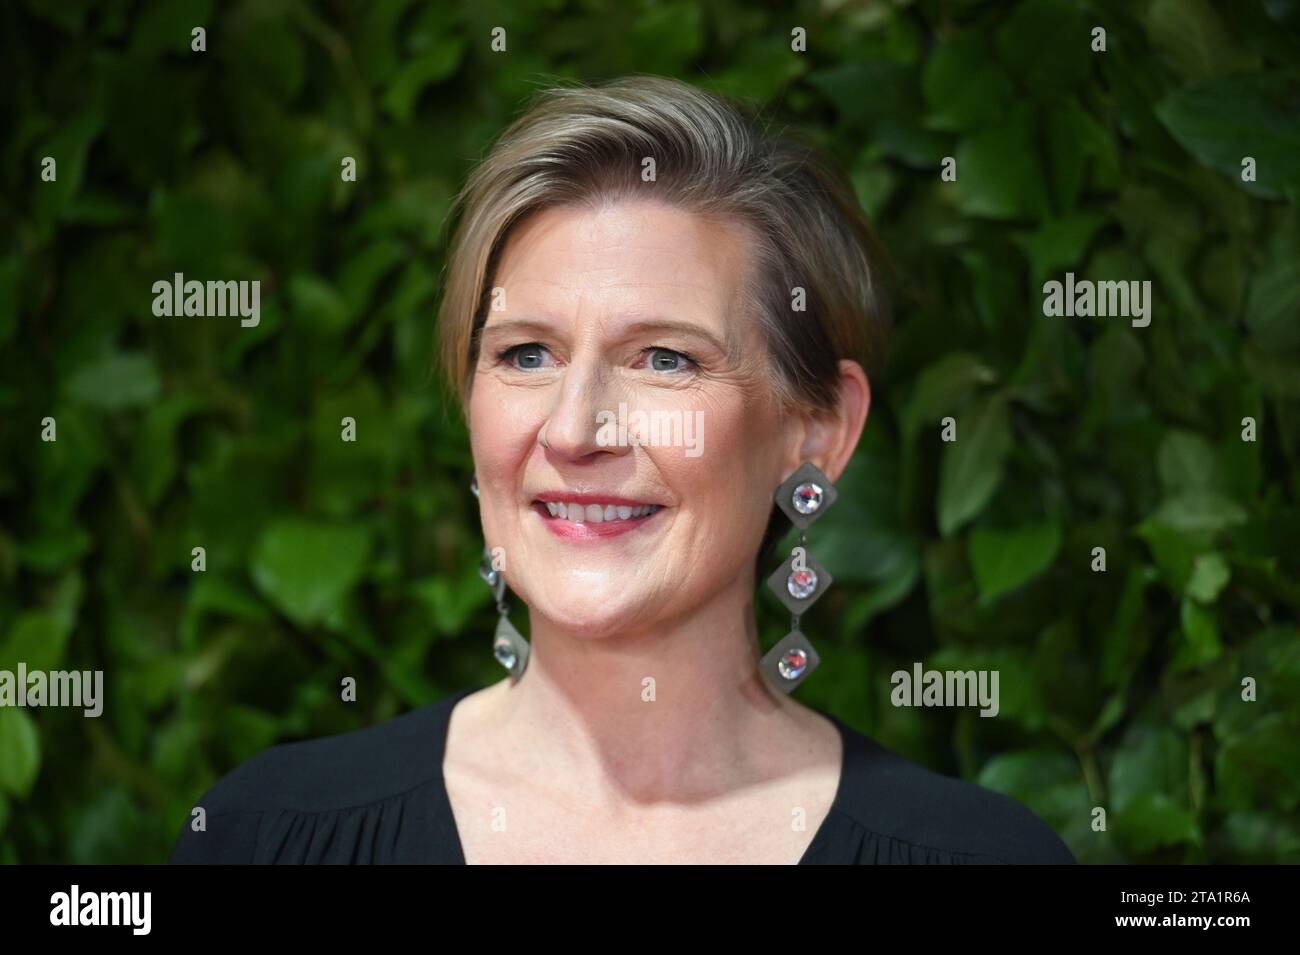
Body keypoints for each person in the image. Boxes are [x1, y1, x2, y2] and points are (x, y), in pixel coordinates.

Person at [170, 75, 1076, 864]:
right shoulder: (267, 836)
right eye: (527, 354)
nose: (572, 430)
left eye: (665, 359)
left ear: (816, 429)